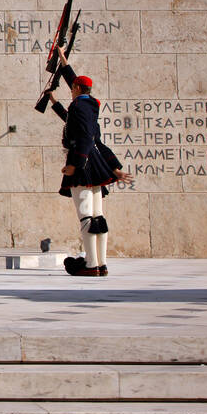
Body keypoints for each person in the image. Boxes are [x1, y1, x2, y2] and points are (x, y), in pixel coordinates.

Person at [46, 47, 133, 277]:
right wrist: (115, 168)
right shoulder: (86, 106)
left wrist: (74, 165)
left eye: (72, 86)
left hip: (83, 164)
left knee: (86, 214)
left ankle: (91, 265)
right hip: (95, 164)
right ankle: (100, 264)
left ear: (76, 89)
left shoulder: (81, 106)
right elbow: (93, 138)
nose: (71, 89)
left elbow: (84, 138)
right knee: (97, 216)